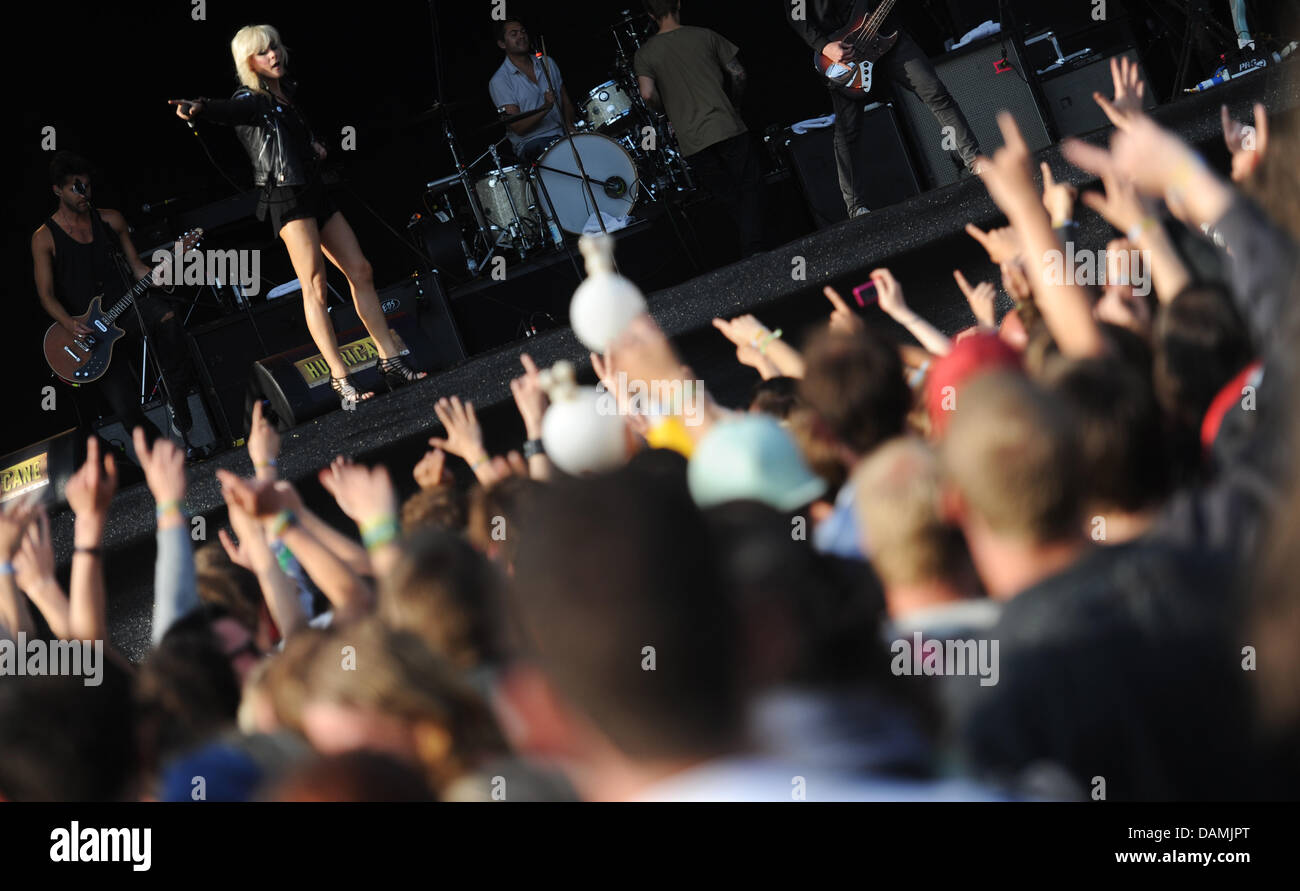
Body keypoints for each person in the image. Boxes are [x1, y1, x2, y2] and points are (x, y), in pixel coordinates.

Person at [169, 24, 427, 410]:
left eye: (273, 47)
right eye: (262, 52)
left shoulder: (286, 93)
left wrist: (314, 147)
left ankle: (390, 358)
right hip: (285, 197)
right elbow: (228, 110)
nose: (272, 55)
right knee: (316, 286)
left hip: (313, 190)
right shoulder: (250, 98)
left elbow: (291, 140)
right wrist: (201, 106)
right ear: (248, 62)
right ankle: (340, 378)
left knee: (361, 270)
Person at [31, 151, 199, 448]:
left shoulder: (110, 220)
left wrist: (162, 274)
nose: (84, 194)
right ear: (57, 190)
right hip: (90, 333)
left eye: (87, 186)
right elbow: (45, 295)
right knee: (127, 411)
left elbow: (136, 268)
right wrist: (69, 324)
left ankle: (176, 397)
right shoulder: (44, 237)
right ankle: (163, 457)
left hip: (126, 308)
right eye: (75, 188)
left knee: (167, 317)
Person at [785, 0, 982, 217]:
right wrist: (824, 46)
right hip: (845, 51)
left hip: (885, 31)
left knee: (935, 92)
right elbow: (796, 13)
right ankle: (855, 206)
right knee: (848, 130)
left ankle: (974, 160)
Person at [635, 0, 764, 257]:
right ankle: (755, 248)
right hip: (726, 124)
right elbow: (738, 74)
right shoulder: (705, 35)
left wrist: (665, 110)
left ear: (650, 15)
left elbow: (647, 95)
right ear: (679, 4)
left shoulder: (645, 53)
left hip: (690, 137)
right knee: (750, 187)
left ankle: (753, 249)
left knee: (726, 194)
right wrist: (735, 105)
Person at [488, 19, 580, 165]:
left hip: (561, 134)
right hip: (531, 142)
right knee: (564, 154)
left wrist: (569, 126)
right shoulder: (500, 81)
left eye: (523, 31)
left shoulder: (547, 62)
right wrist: (545, 108)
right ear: (502, 44)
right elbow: (518, 127)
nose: (521, 36)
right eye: (514, 34)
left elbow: (566, 101)